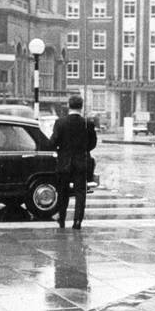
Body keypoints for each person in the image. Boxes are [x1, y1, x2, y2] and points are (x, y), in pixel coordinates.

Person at [47, 94, 96, 229]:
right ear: (81, 106)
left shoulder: (60, 122)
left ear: (69, 105)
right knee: (80, 192)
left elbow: (53, 142)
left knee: (63, 191)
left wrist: (60, 149)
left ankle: (62, 218)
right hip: (81, 162)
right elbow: (93, 144)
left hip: (64, 162)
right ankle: (78, 221)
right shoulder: (88, 123)